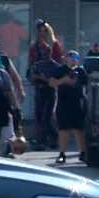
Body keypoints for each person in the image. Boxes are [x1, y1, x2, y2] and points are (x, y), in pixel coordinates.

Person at [28, 20, 65, 149]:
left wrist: (53, 78)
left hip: (51, 84)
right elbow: (31, 66)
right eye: (40, 30)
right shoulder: (34, 47)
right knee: (38, 114)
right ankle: (40, 141)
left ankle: (54, 138)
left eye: (45, 30)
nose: (42, 33)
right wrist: (35, 76)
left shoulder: (54, 45)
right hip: (39, 84)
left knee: (48, 115)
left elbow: (60, 66)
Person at [50, 51, 87, 165]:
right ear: (65, 59)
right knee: (63, 129)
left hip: (77, 103)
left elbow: (87, 83)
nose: (73, 59)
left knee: (79, 129)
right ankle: (62, 154)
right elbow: (51, 83)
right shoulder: (60, 70)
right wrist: (64, 80)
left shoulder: (80, 71)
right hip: (63, 103)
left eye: (76, 57)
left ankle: (83, 153)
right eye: (71, 57)